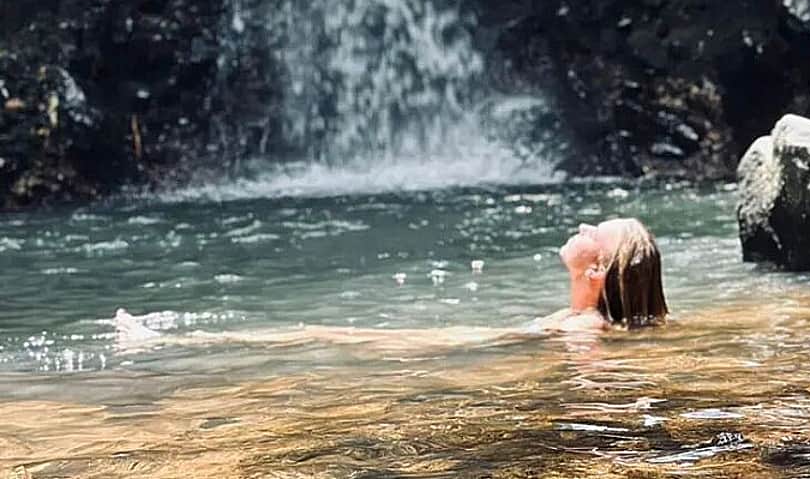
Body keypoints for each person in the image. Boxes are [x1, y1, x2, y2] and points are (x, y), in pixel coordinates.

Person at [114, 217, 668, 344]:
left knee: (318, 334)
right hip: (466, 337)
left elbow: (594, 389)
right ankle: (184, 339)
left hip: (452, 345)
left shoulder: (584, 329)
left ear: (596, 272)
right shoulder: (584, 319)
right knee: (317, 332)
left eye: (599, 229)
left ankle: (178, 341)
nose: (584, 225)